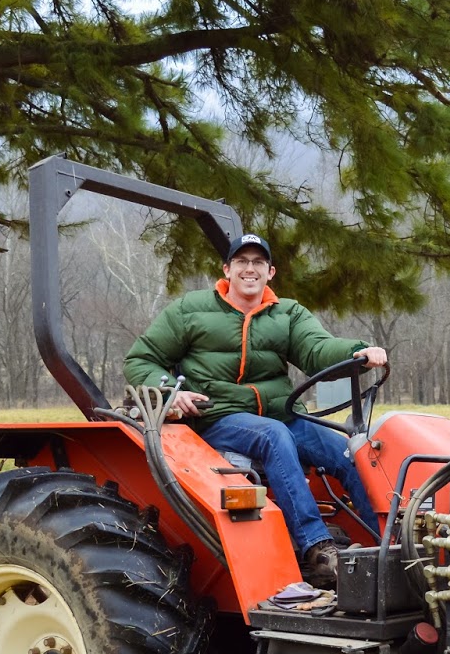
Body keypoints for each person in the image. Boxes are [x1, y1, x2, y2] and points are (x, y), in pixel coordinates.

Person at [123, 232, 387, 584]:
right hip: (217, 416)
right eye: (242, 262)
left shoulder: (287, 314)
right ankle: (319, 547)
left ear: (270, 271)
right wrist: (171, 391)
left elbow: (317, 349)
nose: (250, 269)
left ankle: (390, 546)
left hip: (279, 413)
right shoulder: (191, 310)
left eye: (258, 263)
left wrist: (356, 352)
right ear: (227, 270)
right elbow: (141, 360)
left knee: (348, 448)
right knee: (274, 436)